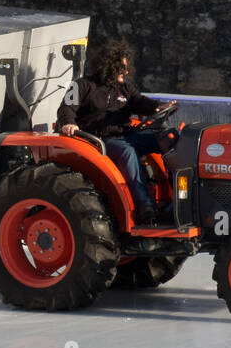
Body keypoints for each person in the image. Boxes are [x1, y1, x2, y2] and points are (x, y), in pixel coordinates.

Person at [56, 38, 177, 225]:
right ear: (109, 66)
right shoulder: (82, 85)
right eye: (122, 67)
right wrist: (69, 124)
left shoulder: (125, 89)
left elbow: (142, 103)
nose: (126, 71)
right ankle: (145, 207)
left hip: (128, 135)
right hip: (101, 140)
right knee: (127, 152)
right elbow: (66, 109)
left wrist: (160, 106)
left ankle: (177, 195)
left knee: (170, 138)